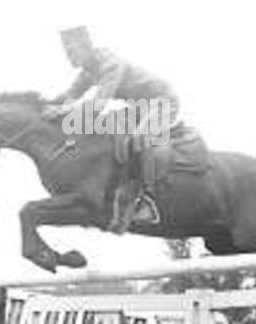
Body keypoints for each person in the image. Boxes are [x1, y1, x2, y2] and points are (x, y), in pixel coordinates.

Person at [42, 26, 180, 231]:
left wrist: (63, 110)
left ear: (86, 47)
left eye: (73, 51)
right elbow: (69, 95)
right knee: (107, 133)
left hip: (163, 102)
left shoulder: (110, 64)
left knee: (138, 137)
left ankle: (146, 200)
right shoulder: (88, 72)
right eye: (67, 52)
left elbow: (99, 103)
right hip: (139, 107)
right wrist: (41, 108)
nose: (70, 56)